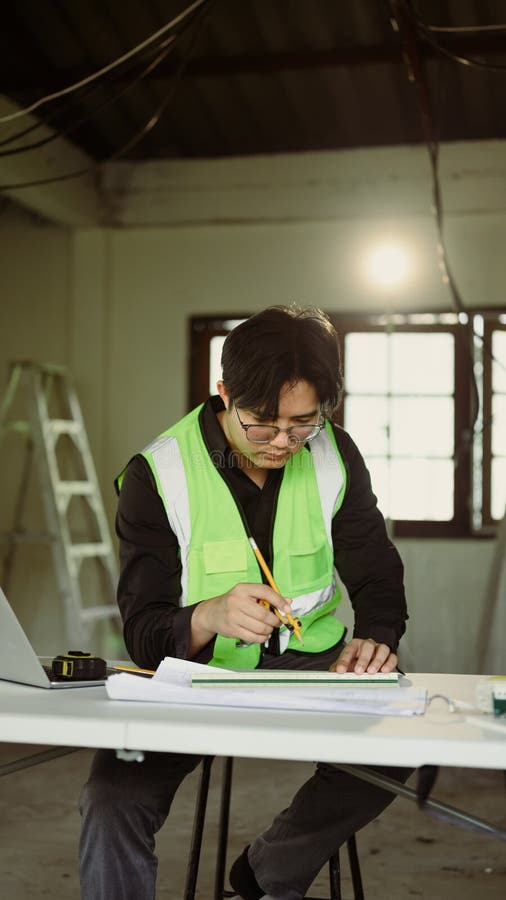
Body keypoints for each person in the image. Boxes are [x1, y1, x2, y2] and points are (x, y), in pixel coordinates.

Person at [79, 305, 410, 900]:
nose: (282, 443)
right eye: (261, 423)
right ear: (223, 392)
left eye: (303, 424)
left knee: (400, 739)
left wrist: (378, 638)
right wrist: (206, 616)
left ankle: (265, 876)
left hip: (309, 664)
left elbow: (377, 569)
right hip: (189, 676)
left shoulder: (334, 453)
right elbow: (142, 633)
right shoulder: (157, 475)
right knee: (111, 798)